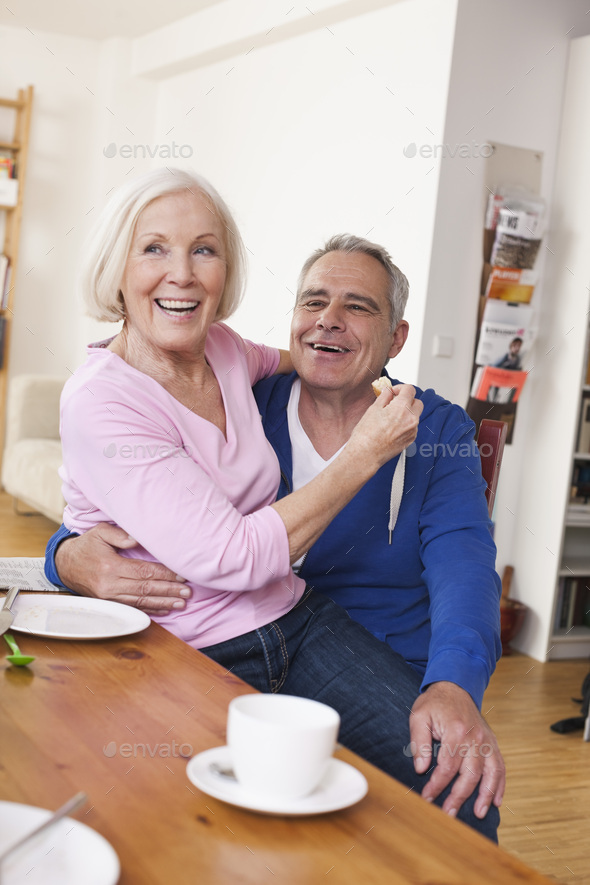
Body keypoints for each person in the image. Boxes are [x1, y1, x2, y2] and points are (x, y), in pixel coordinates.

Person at [47, 190, 503, 837]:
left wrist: (454, 684)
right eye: (313, 302)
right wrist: (67, 551)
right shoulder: (258, 397)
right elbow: (138, 502)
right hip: (210, 642)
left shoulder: (425, 429)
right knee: (182, 819)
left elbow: (467, 571)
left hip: (359, 646)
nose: (328, 321)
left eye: (358, 307)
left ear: (397, 336)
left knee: (463, 791)